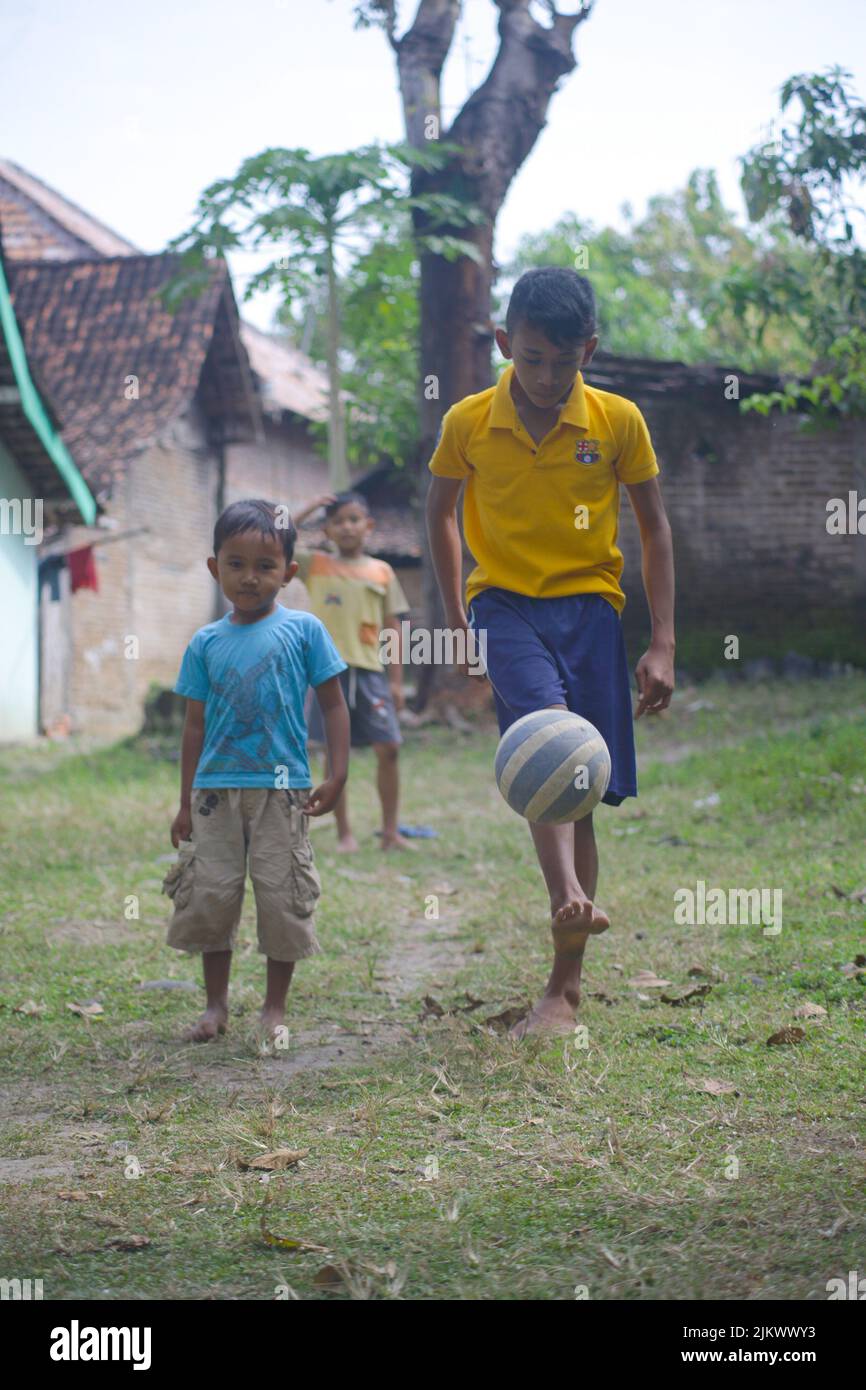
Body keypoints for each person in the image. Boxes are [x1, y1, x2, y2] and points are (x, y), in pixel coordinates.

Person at [426, 267, 676, 1037]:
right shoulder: (468, 422)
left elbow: (655, 529)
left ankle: (564, 988)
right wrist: (457, 621)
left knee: (581, 786)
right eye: (529, 358)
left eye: (561, 363)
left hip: (593, 611)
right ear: (504, 343)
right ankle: (569, 889)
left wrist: (663, 640)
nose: (542, 377)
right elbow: (438, 517)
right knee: (544, 734)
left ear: (588, 352)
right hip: (503, 605)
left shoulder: (618, 421)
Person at [163, 498, 350, 1043]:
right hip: (214, 794)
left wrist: (338, 773)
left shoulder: (306, 631)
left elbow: (335, 705)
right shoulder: (205, 643)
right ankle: (215, 1007)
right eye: (236, 563)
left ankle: (274, 1008)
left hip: (283, 790)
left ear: (289, 573)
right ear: (214, 566)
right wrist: (183, 802)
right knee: (212, 894)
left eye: (265, 566)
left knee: (280, 895)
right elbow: (193, 728)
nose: (250, 577)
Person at [292, 490, 412, 852]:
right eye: (337, 521)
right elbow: (276, 542)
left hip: (373, 671)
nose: (346, 527)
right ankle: (345, 835)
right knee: (335, 752)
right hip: (329, 673)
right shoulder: (315, 564)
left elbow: (392, 626)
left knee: (389, 747)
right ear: (327, 530)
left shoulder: (382, 571)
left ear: (368, 526)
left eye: (353, 519)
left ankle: (390, 833)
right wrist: (310, 506)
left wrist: (396, 682)